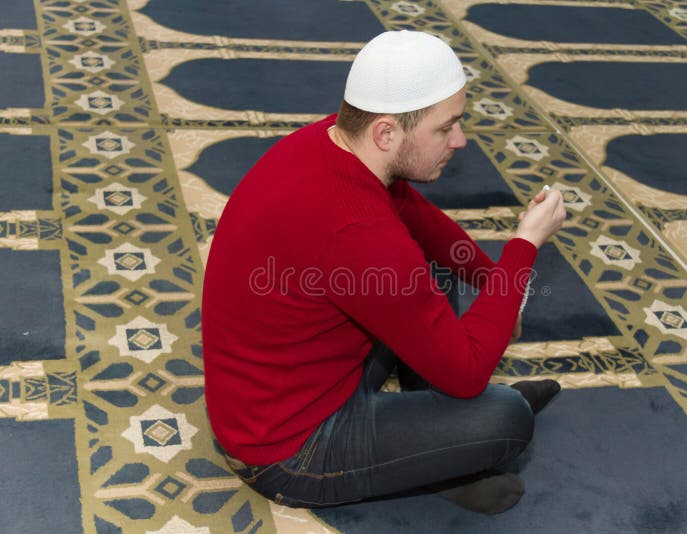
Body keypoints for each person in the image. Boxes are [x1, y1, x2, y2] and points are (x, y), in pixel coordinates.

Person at [201, 30, 566, 515]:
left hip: (286, 383)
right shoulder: (358, 232)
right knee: (507, 417)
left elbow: (417, 218)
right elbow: (469, 374)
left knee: (426, 263)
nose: (460, 140)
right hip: (286, 449)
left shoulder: (334, 140)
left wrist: (489, 281)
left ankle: (428, 435)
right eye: (446, 128)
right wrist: (523, 249)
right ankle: (442, 454)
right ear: (386, 132)